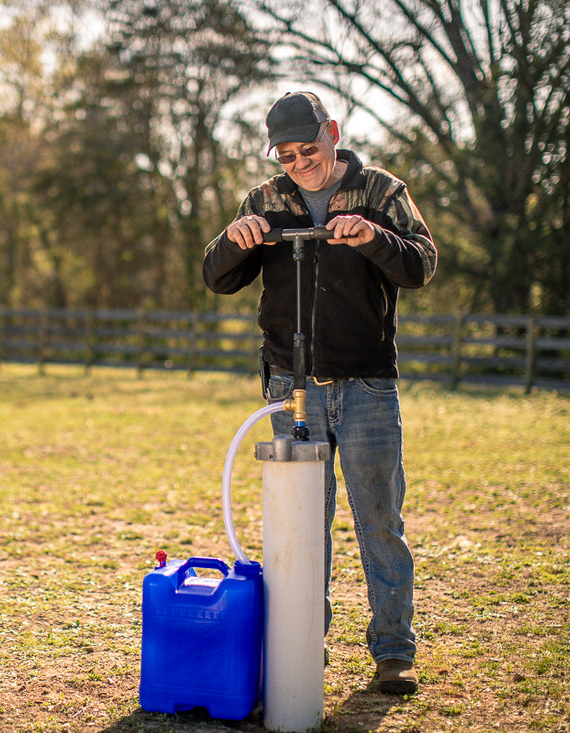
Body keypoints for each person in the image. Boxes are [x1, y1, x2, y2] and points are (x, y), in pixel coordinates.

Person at [202, 91, 436, 695]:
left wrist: (371, 238)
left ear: (332, 133)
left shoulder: (381, 192)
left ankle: (393, 651)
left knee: (379, 518)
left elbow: (420, 264)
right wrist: (236, 237)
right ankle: (304, 646)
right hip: (291, 385)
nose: (299, 162)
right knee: (304, 523)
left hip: (366, 383)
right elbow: (217, 276)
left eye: (309, 148)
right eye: (286, 154)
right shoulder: (264, 200)